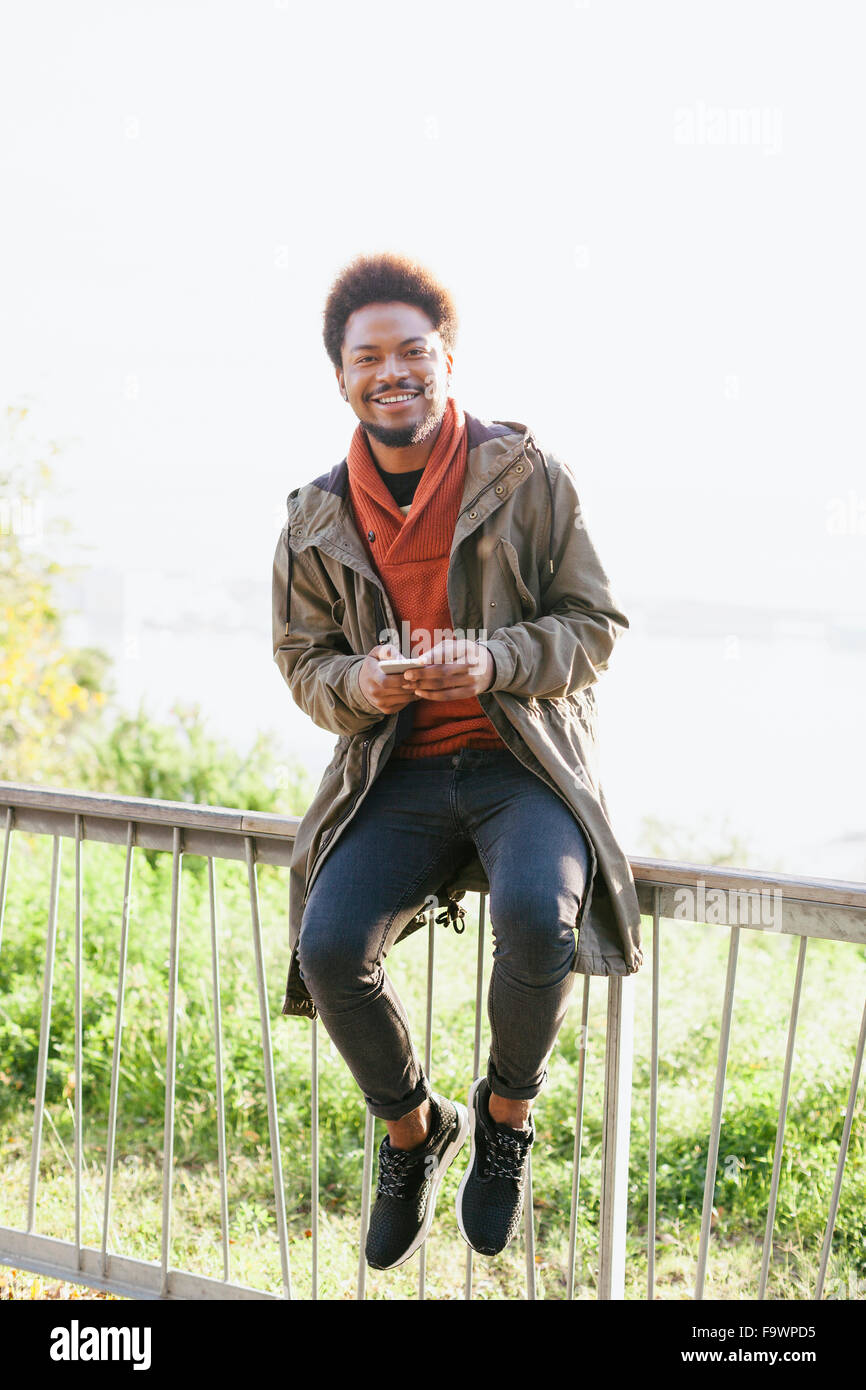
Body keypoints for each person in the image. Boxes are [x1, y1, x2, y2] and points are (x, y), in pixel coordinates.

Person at [271, 252, 643, 1271]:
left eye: (411, 351)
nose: (390, 371)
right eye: (367, 357)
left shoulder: (529, 478)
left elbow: (595, 626)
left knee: (535, 916)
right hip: (393, 774)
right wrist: (365, 685)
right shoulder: (311, 517)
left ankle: (504, 1114)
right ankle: (412, 1128)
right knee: (328, 945)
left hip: (524, 764)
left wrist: (494, 658)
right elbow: (304, 667)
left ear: (446, 359)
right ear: (339, 374)